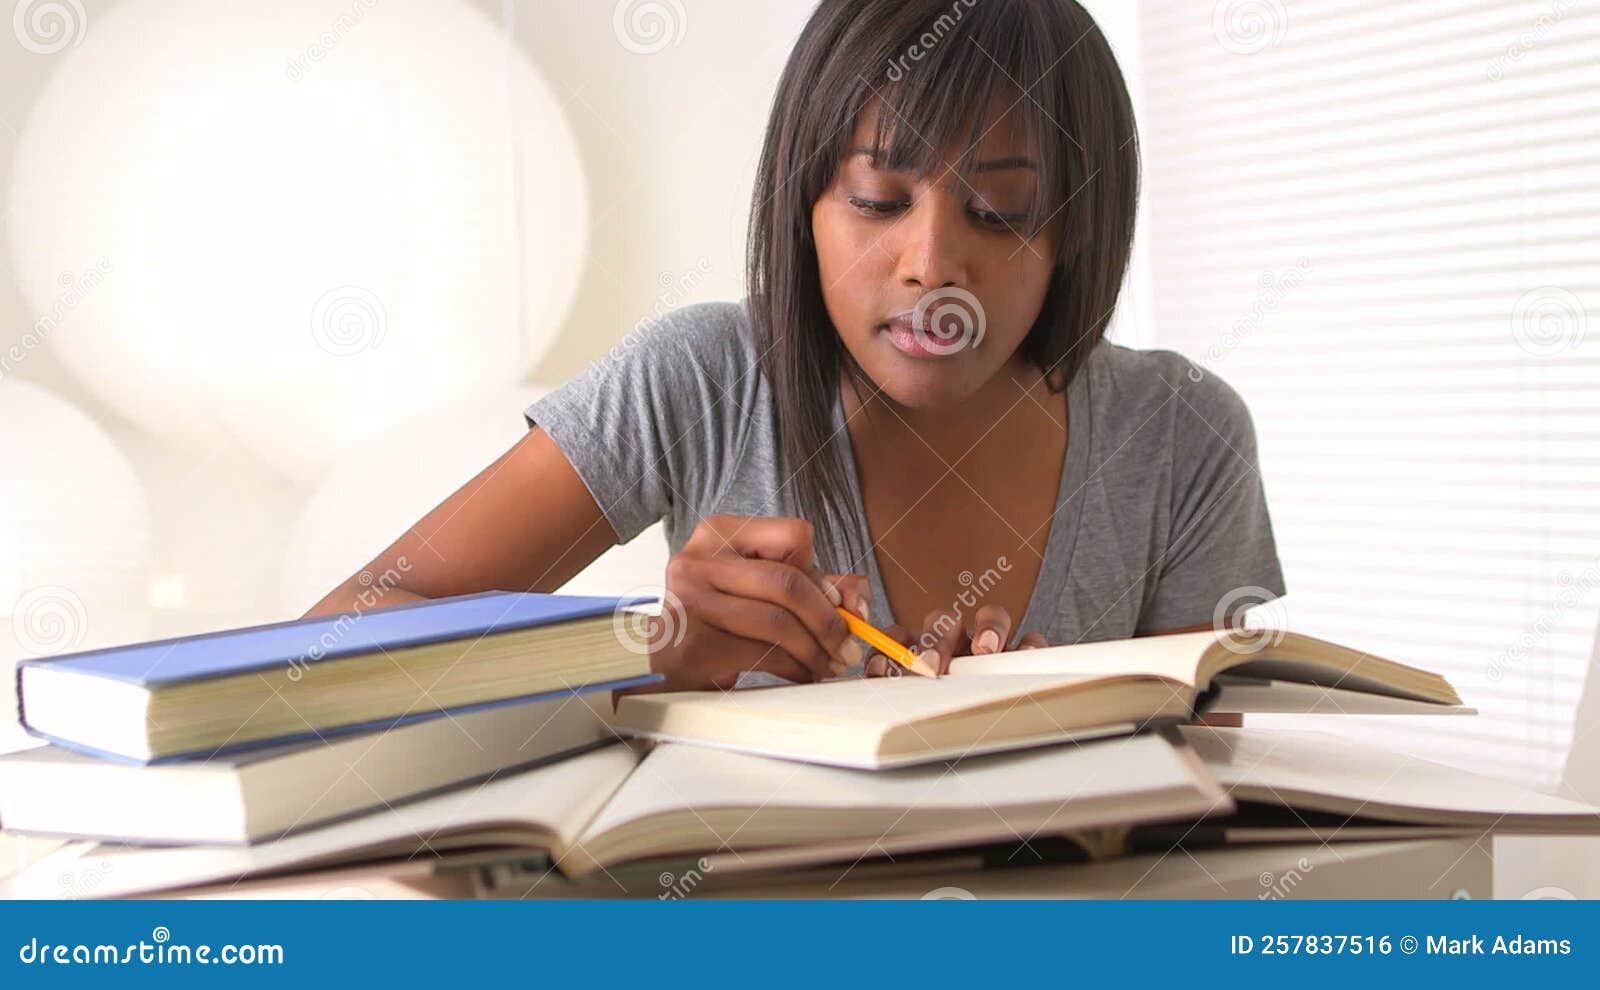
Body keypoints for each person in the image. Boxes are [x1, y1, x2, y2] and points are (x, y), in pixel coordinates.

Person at [305, 0, 1286, 695]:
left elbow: (1212, 811)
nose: (931, 266)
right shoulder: (699, 381)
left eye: (998, 210)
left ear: (1076, 229)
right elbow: (323, 644)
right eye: (877, 200)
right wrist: (646, 652)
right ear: (803, 205)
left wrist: (1083, 738)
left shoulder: (1179, 434)